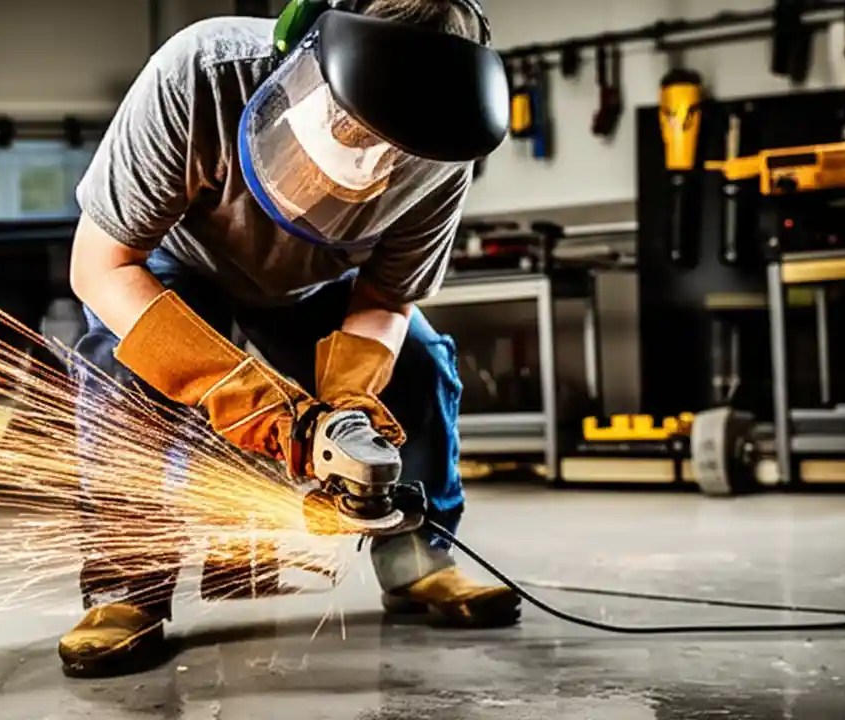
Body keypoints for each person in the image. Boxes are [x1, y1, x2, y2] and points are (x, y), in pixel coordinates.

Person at [61, 0, 519, 677]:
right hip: (173, 265)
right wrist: (241, 394)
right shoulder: (202, 75)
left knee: (417, 364)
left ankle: (419, 558)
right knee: (124, 374)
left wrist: (349, 403)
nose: (367, 165)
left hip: (320, 286)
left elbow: (387, 297)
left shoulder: (442, 147)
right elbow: (100, 265)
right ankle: (126, 586)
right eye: (352, 131)